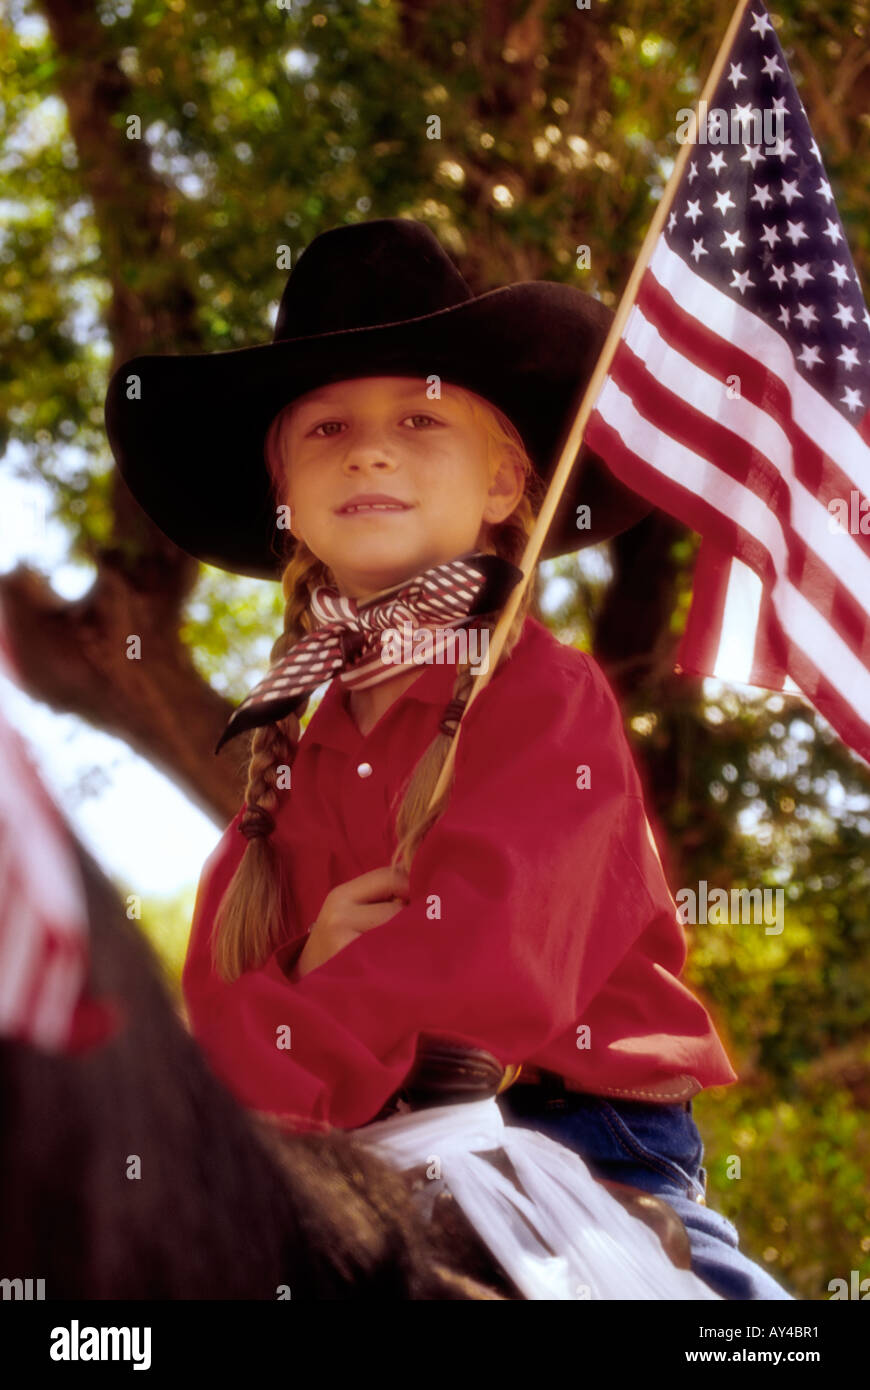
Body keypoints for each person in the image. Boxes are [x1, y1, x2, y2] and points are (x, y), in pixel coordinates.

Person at [104, 217, 793, 1300]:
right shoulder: (288, 741)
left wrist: (297, 1015)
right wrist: (276, 1027)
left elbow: (482, 965)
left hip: (582, 1140)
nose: (369, 448)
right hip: (346, 1144)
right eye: (327, 428)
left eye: (420, 416)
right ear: (286, 499)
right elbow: (222, 993)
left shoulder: (542, 699)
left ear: (509, 481)